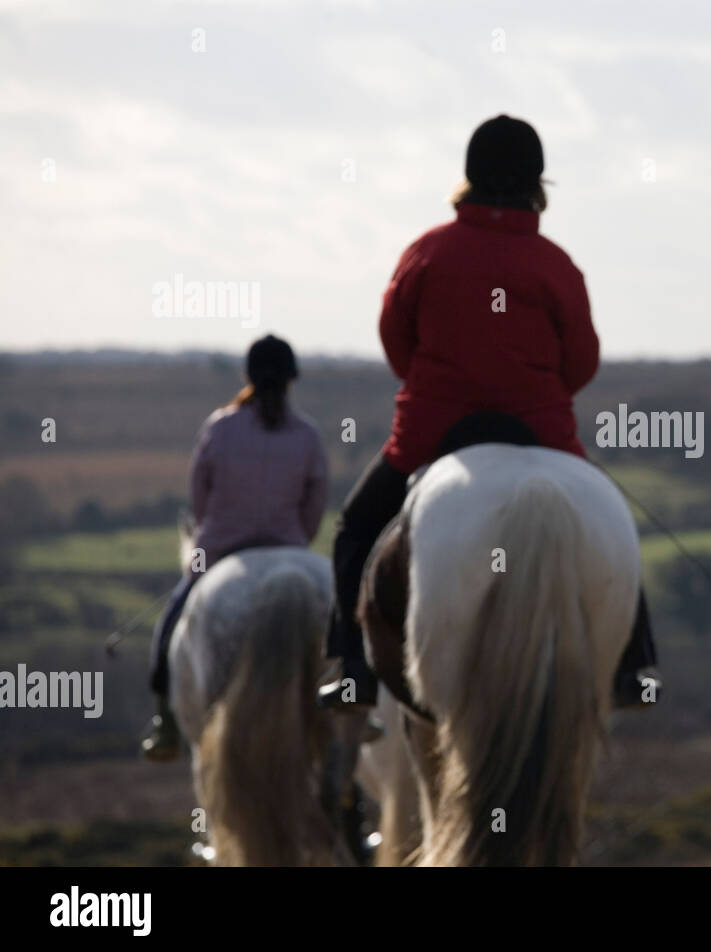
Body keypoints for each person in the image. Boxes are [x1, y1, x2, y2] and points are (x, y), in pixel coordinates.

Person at [316, 115, 663, 712]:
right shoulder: (555, 264)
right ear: (537, 184)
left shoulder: (426, 253)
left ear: (468, 178)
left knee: (354, 530)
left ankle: (353, 669)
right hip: (542, 431)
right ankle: (633, 666)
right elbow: (581, 361)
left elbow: (397, 344)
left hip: (432, 431)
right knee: (615, 526)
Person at [141, 335, 329, 761]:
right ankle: (357, 701)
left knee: (169, 626)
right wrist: (297, 538)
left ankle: (165, 723)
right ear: (290, 381)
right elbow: (315, 503)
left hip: (219, 549)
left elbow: (199, 498)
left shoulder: (219, 427)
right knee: (346, 624)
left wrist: (217, 532)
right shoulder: (308, 434)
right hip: (290, 545)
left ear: (248, 377)